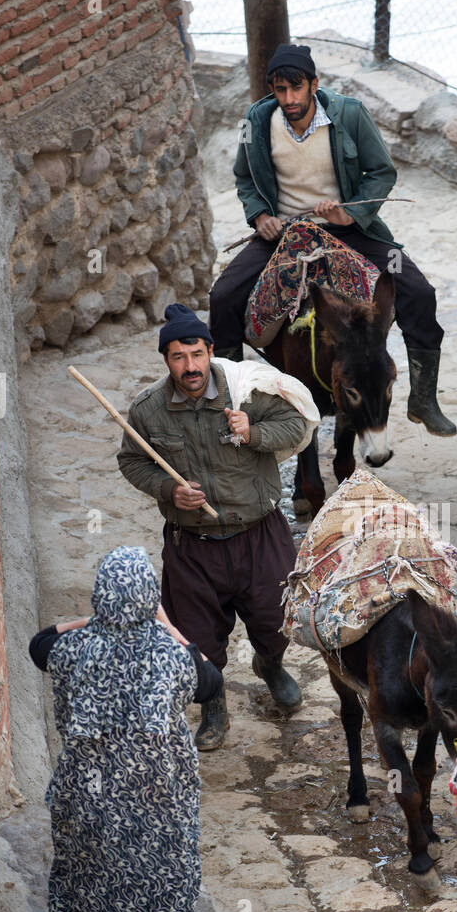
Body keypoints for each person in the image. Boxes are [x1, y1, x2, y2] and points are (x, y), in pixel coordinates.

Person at [209, 42, 457, 437]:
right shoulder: (255, 122)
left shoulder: (350, 115)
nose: (289, 99)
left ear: (313, 84)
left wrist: (350, 211)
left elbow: (381, 173)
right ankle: (227, 402)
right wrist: (260, 217)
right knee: (223, 298)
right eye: (280, 90)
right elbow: (245, 179)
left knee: (417, 291)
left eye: (296, 88)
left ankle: (424, 399)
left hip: (350, 232)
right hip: (284, 234)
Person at [29, 546, 223, 912]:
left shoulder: (71, 650)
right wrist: (171, 629)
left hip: (84, 799)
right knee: (165, 889)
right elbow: (211, 682)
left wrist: (85, 621)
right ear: (150, 597)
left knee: (76, 885)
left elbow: (37, 645)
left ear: (101, 597)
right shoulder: (172, 656)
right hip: (157, 802)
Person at [116, 303, 307, 748]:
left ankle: (271, 665)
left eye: (197, 355)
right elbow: (131, 462)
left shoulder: (248, 391)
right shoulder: (147, 410)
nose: (190, 366)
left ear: (210, 352)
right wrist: (168, 489)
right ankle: (214, 706)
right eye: (179, 358)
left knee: (278, 618)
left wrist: (252, 432)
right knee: (196, 638)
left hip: (259, 533)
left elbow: (295, 425)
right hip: (193, 544)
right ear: (166, 360)